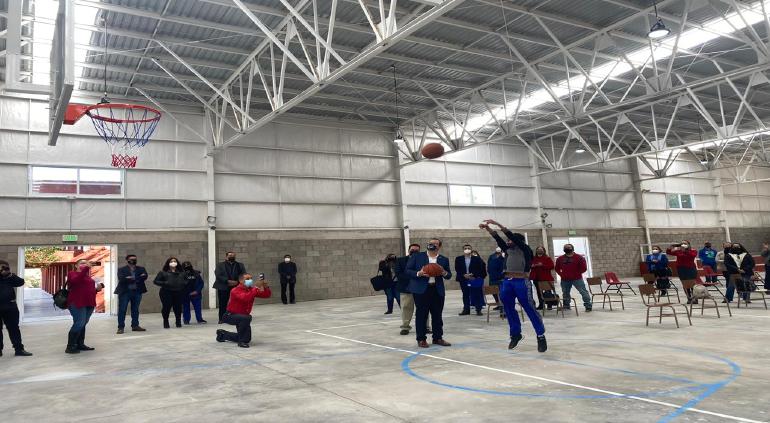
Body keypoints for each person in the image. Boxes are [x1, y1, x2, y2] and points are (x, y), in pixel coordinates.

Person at [481, 220, 546, 352]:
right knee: (508, 308)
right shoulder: (508, 250)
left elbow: (510, 236)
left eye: (510, 240)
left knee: (529, 308)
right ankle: (516, 334)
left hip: (521, 281)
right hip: (507, 282)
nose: (508, 242)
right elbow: (498, 239)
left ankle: (540, 335)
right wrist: (488, 228)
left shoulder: (525, 250)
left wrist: (498, 224)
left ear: (518, 241)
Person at [406, 238, 452, 348]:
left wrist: (443, 272)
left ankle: (437, 338)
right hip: (421, 290)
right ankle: (421, 339)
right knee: (421, 315)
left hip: (437, 289)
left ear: (439, 246)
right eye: (430, 243)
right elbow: (407, 270)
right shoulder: (417, 256)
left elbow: (449, 275)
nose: (432, 245)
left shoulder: (443, 259)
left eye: (435, 243)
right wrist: (419, 273)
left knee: (437, 315)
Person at [216, 273, 271, 348]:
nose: (250, 280)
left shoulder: (251, 289)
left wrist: (265, 287)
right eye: (247, 279)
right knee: (246, 318)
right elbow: (246, 298)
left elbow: (266, 295)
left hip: (243, 317)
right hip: (230, 315)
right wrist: (256, 287)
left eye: (251, 278)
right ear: (241, 281)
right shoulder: (235, 290)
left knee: (247, 338)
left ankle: (223, 334)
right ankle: (241, 342)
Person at [65, 259, 103, 354]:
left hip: (89, 303)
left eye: (86, 263)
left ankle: (80, 344)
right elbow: (75, 281)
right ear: (76, 266)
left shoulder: (87, 277)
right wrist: (86, 268)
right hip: (77, 302)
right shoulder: (72, 274)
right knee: (79, 323)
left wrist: (97, 289)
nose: (85, 265)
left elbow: (87, 290)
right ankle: (70, 346)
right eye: (82, 263)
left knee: (83, 324)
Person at [396, 244, 430, 336]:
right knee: (406, 308)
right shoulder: (400, 260)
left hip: (420, 288)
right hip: (406, 288)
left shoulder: (424, 260)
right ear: (408, 250)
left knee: (423, 308)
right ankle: (405, 327)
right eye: (412, 249)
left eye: (416, 250)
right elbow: (399, 274)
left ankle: (426, 327)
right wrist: (415, 276)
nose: (414, 251)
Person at [0, 260, 32, 357]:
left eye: (5, 267)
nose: (3, 269)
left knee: (14, 328)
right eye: (1, 267)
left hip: (10, 307)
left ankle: (19, 349)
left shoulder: (10, 277)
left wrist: (10, 274)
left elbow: (21, 282)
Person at [115, 254, 148, 334]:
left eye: (135, 259)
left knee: (135, 309)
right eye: (131, 259)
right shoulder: (121, 269)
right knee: (122, 310)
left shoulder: (141, 268)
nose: (134, 260)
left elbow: (145, 277)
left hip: (137, 292)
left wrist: (130, 278)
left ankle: (135, 325)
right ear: (127, 260)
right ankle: (120, 327)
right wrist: (138, 277)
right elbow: (121, 279)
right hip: (125, 292)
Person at [555, 243, 592, 312]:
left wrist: (576, 274)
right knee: (565, 293)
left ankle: (588, 306)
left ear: (572, 248)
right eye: (565, 247)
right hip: (565, 279)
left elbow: (584, 268)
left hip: (577, 279)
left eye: (568, 247)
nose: (567, 248)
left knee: (583, 292)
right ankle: (566, 306)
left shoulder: (579, 257)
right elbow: (557, 268)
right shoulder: (560, 258)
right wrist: (561, 274)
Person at [153, 257, 188, 329]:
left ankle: (178, 321)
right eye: (171, 261)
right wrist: (165, 283)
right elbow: (156, 281)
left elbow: (186, 280)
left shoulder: (182, 272)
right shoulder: (163, 272)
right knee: (166, 307)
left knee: (178, 307)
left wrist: (183, 283)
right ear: (168, 263)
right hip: (166, 292)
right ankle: (166, 321)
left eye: (175, 261)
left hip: (178, 291)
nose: (173, 263)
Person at [214, 252, 247, 324]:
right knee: (223, 303)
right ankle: (222, 319)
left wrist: (238, 281)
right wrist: (227, 281)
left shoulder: (240, 265)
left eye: (233, 255)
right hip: (223, 286)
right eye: (230, 255)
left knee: (237, 303)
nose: (232, 256)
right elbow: (218, 275)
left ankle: (237, 317)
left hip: (236, 286)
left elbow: (243, 274)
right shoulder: (220, 265)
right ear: (226, 257)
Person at [455, 245, 487, 316]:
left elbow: (479, 268)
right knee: (465, 294)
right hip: (463, 279)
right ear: (463, 250)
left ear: (471, 249)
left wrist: (473, 274)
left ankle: (478, 309)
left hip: (473, 278)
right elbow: (457, 268)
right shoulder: (459, 258)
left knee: (476, 294)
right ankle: (466, 309)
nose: (467, 249)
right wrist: (464, 275)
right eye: (465, 248)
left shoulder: (477, 259)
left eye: (469, 248)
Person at [530, 246, 555, 310]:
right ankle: (541, 305)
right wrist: (532, 266)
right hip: (536, 278)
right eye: (538, 249)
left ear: (544, 251)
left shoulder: (547, 258)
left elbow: (552, 266)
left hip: (546, 277)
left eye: (541, 249)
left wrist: (542, 265)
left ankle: (549, 305)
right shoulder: (534, 258)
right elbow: (530, 265)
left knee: (548, 291)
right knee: (539, 292)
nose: (539, 250)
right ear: (536, 251)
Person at [487, 247, 506, 312]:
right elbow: (489, 268)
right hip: (495, 278)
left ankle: (502, 308)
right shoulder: (492, 257)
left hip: (500, 278)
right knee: (495, 293)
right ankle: (500, 305)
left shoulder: (505, 257)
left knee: (502, 294)